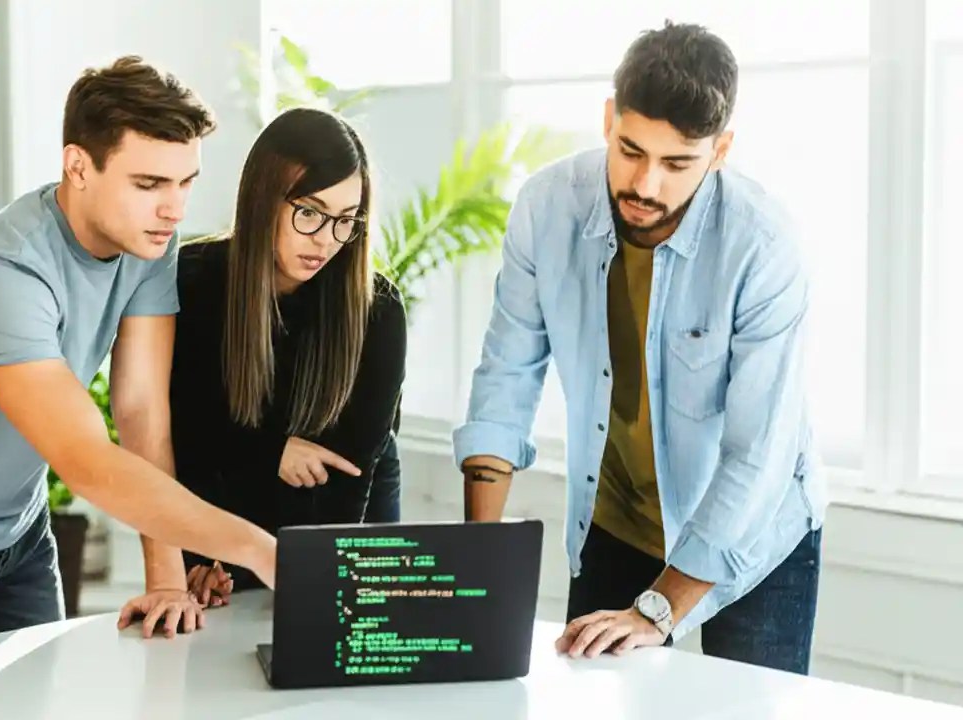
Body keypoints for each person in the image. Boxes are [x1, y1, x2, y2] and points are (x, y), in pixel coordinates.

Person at [0, 55, 277, 658]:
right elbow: (86, 459)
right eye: (149, 184)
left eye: (186, 182)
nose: (174, 209)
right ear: (78, 165)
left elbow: (141, 410)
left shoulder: (148, 244)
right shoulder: (1, 271)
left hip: (15, 525)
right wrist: (258, 547)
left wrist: (167, 578)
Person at [453, 21, 826, 675]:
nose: (646, 184)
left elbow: (757, 455)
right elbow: (507, 375)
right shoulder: (547, 209)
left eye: (677, 163)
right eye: (630, 151)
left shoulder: (763, 247)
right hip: (614, 525)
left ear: (720, 151)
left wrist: (659, 610)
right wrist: (478, 563)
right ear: (607, 119)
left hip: (750, 537)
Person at [166, 107, 407, 606]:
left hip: (344, 531)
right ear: (263, 199)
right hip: (219, 535)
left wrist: (244, 452)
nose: (325, 239)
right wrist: (272, 454)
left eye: (345, 221)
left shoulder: (377, 310)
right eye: (309, 212)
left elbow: (346, 477)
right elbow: (184, 440)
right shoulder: (190, 281)